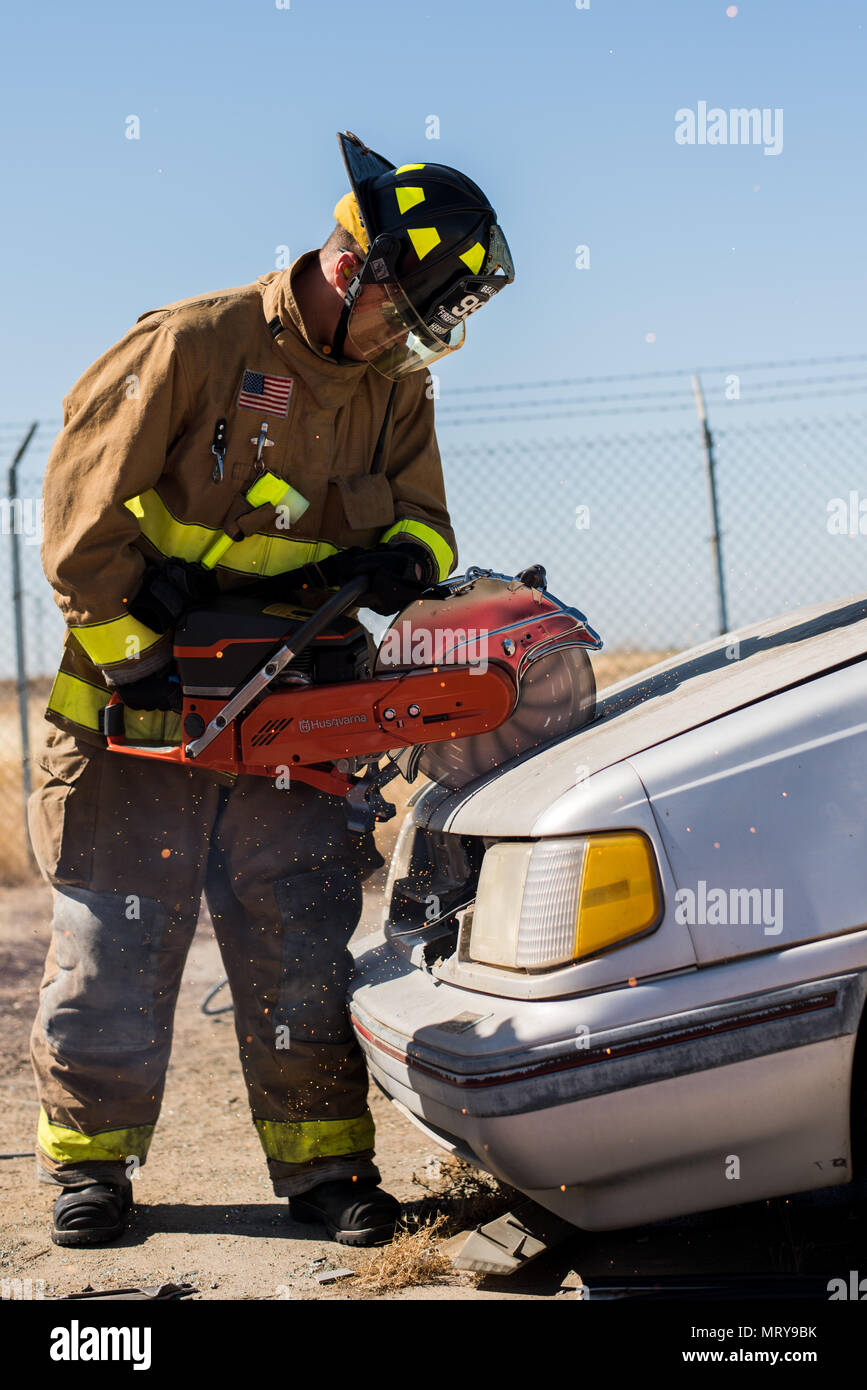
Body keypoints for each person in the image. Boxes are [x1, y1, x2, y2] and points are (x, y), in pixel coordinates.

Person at [29, 130, 514, 1248]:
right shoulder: (193, 345)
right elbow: (76, 525)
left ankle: (326, 1170)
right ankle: (92, 1169)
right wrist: (140, 650)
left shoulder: (396, 384)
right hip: (132, 705)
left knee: (297, 938)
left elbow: (424, 518)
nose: (409, 342)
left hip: (299, 709)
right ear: (354, 268)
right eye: (406, 313)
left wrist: (400, 555)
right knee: (114, 940)